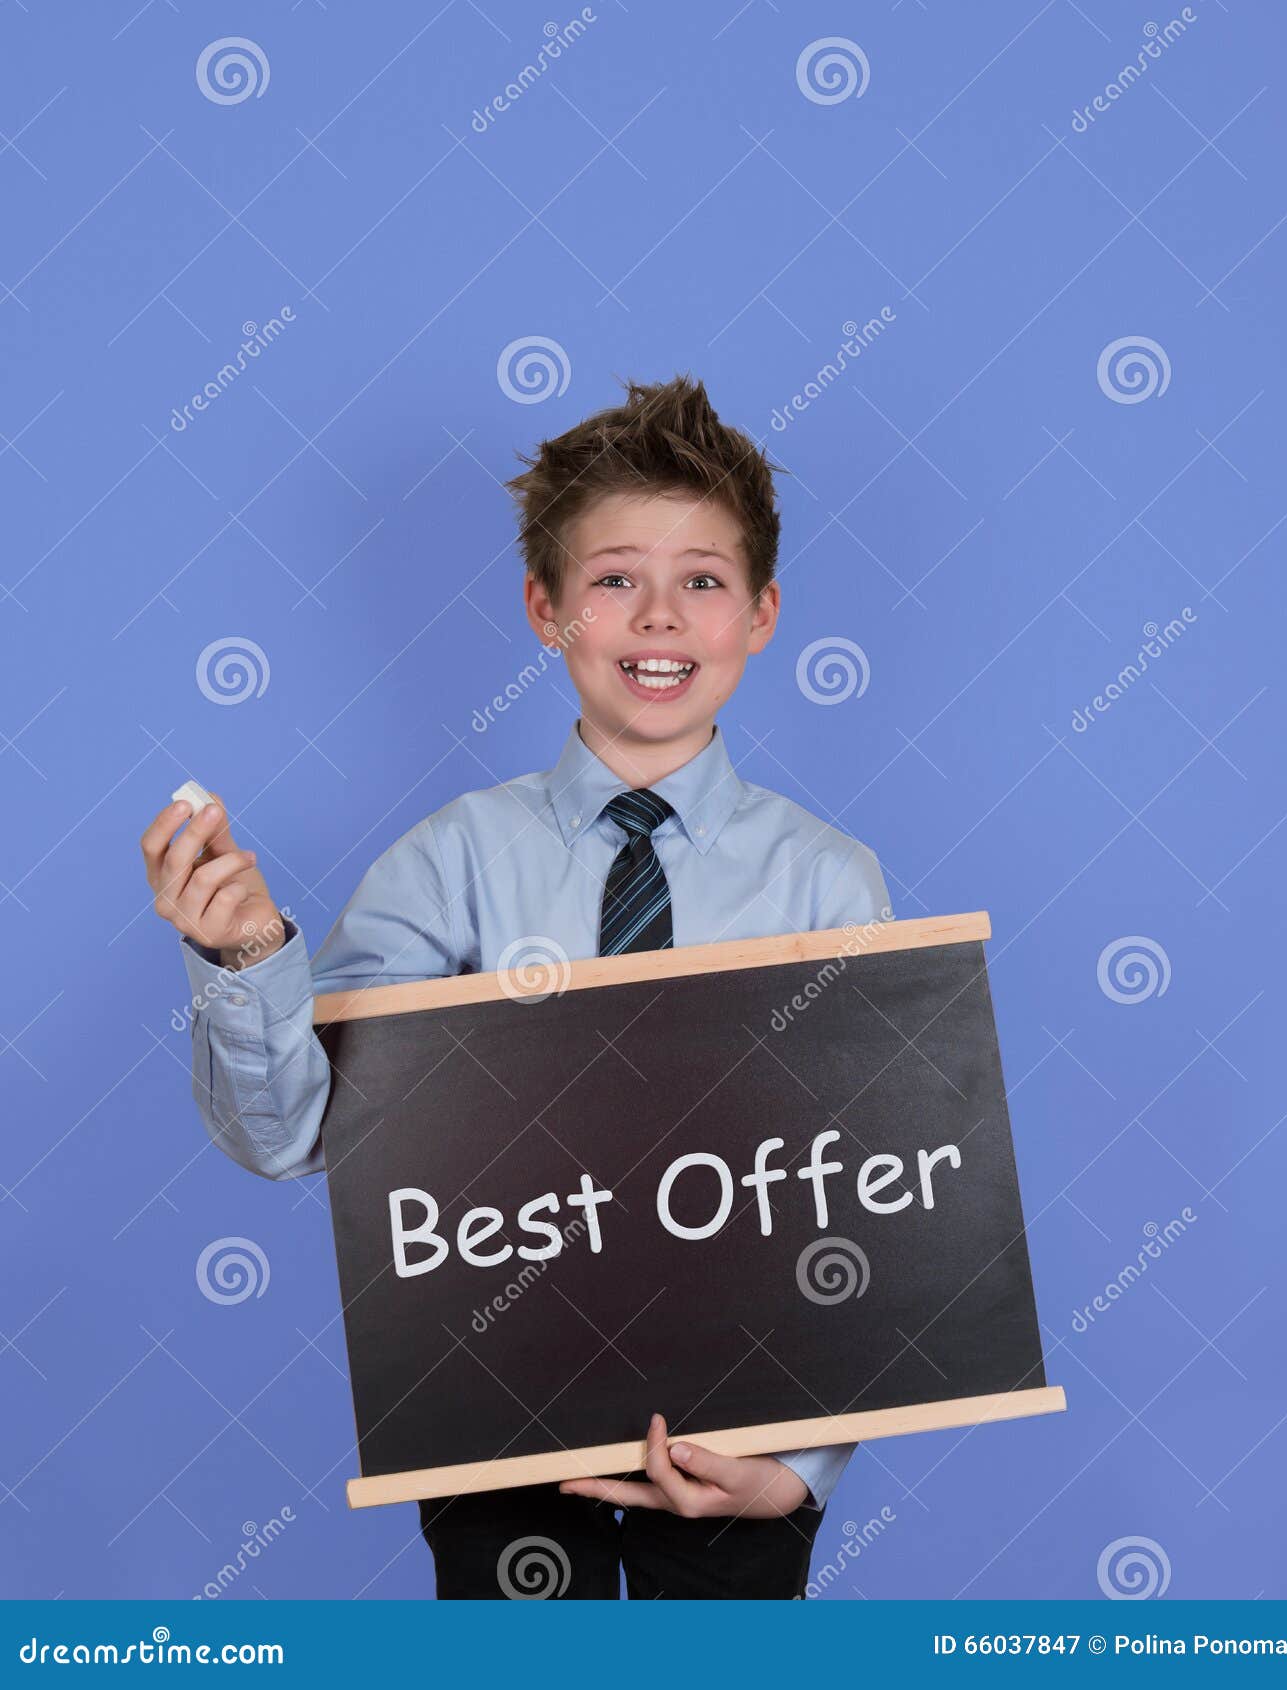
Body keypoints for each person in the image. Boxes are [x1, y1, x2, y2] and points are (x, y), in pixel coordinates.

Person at [141, 374, 893, 1599]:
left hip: (737, 1442)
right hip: (495, 1432)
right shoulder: (448, 865)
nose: (658, 618)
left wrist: (797, 1469)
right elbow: (300, 1135)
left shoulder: (828, 884)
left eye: (701, 580)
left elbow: (875, 1197)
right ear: (547, 610)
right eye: (613, 580)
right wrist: (244, 962)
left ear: (759, 615)